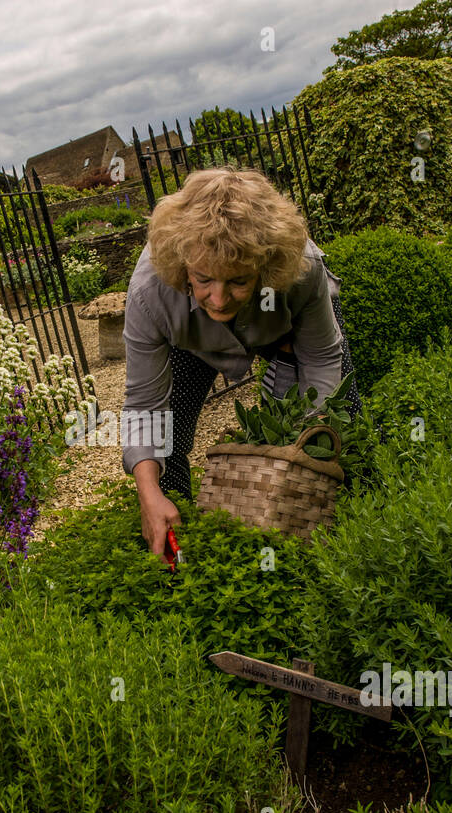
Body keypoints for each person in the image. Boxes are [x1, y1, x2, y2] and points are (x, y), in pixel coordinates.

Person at [120, 166, 363, 557]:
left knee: (340, 419)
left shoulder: (300, 270)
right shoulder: (152, 294)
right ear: (184, 268)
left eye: (238, 281)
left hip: (281, 331)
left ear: (265, 270)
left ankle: (338, 536)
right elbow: (144, 406)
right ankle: (177, 541)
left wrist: (307, 448)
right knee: (166, 446)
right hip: (192, 342)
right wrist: (148, 494)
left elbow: (320, 358)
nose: (218, 300)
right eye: (203, 279)